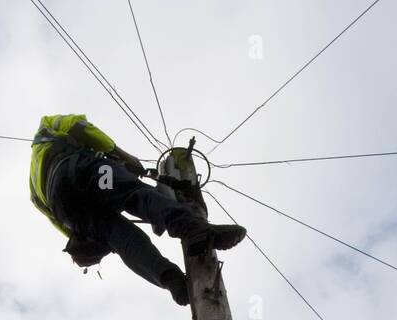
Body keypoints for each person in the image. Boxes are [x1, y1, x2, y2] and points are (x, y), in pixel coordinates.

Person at [28, 114, 246, 305]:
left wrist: (86, 233)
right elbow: (80, 127)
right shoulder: (48, 123)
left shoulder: (33, 182)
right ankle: (193, 229)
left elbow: (54, 218)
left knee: (118, 236)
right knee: (133, 195)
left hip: (65, 206)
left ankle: (170, 279)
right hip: (79, 168)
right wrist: (122, 155)